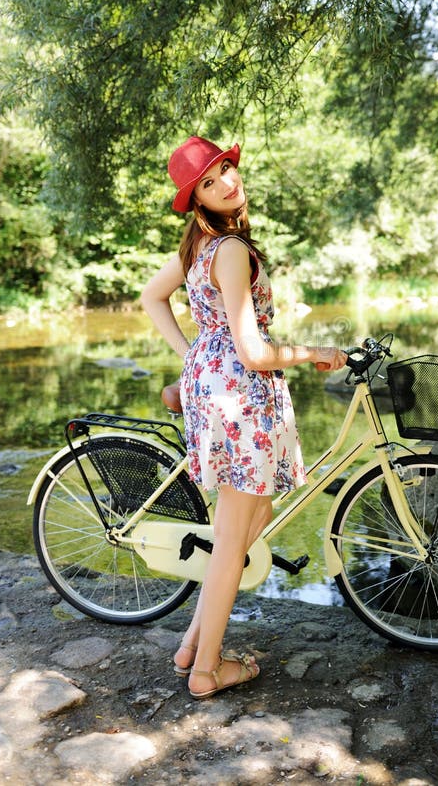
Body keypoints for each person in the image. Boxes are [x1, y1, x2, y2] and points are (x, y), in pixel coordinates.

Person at [141, 136, 347, 699]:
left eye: (226, 169)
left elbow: (152, 298)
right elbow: (254, 353)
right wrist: (316, 352)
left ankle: (191, 644)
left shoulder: (199, 248)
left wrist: (196, 360)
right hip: (242, 401)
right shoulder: (227, 249)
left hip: (223, 394)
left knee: (248, 527)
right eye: (210, 181)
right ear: (199, 200)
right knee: (235, 541)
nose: (227, 182)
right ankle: (207, 672)